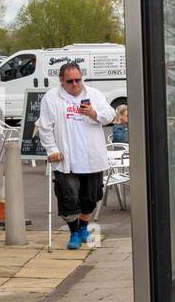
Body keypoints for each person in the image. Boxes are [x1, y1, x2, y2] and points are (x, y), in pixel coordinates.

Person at [37, 61, 116, 249]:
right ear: (62, 81)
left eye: (78, 80)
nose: (75, 84)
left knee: (90, 197)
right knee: (68, 198)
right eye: (70, 81)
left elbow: (110, 115)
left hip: (91, 157)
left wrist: (94, 113)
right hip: (66, 158)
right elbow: (45, 127)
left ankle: (83, 228)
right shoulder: (52, 98)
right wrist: (52, 150)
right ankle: (73, 232)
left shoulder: (94, 94)